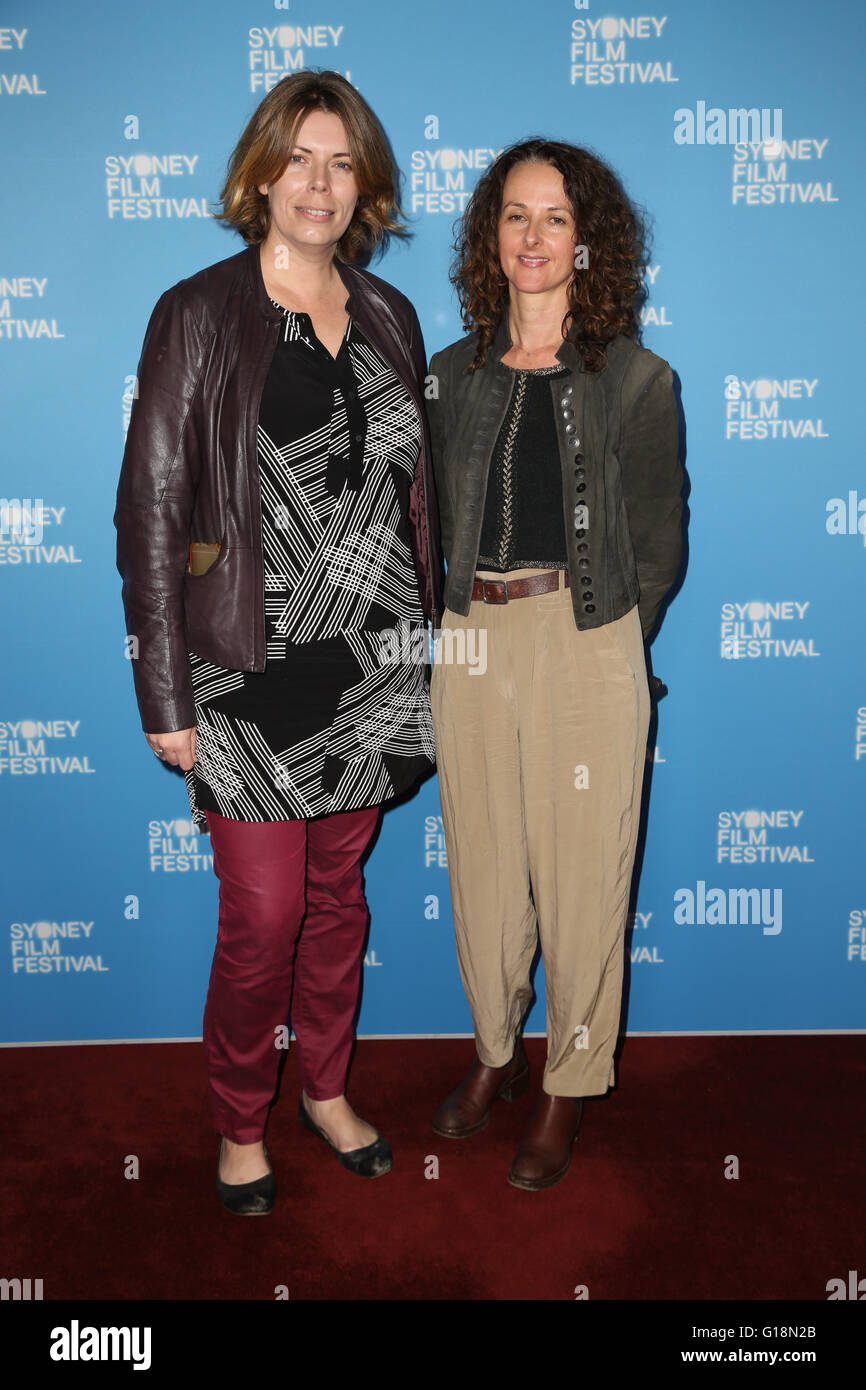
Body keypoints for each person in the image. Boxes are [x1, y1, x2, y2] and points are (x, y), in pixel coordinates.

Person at [114, 70, 442, 1215]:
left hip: (376, 663)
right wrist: (165, 691)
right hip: (247, 668)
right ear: (260, 173)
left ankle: (328, 1088)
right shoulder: (197, 312)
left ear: (367, 186)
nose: (319, 183)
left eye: (341, 162)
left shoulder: (392, 316)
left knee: (340, 896)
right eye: (298, 158)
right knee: (262, 915)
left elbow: (414, 505)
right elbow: (152, 507)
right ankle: (241, 1116)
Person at [426, 137, 683, 1190]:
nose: (532, 237)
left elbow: (658, 542)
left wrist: (611, 653)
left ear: (588, 244)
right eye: (514, 216)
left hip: (586, 637)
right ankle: (497, 1051)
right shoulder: (447, 373)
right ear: (492, 235)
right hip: (471, 636)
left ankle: (569, 1080)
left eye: (555, 218)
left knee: (582, 874)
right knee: (484, 865)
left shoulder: (634, 378)